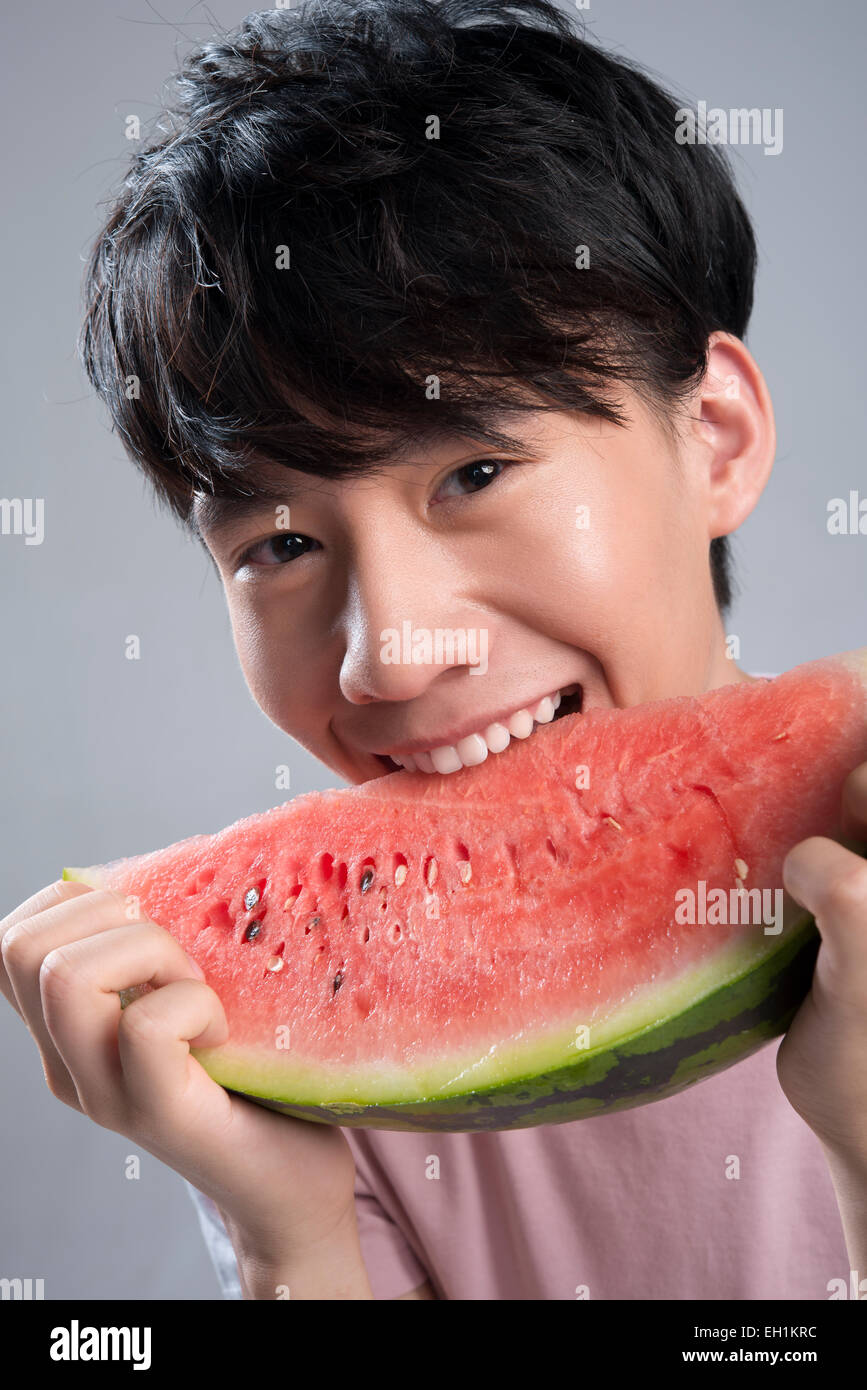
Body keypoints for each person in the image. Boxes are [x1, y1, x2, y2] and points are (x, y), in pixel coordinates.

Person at [3, 0, 866, 1300]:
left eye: (473, 470)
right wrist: (287, 1239)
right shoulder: (286, 1069)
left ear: (719, 437)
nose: (387, 658)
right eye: (279, 548)